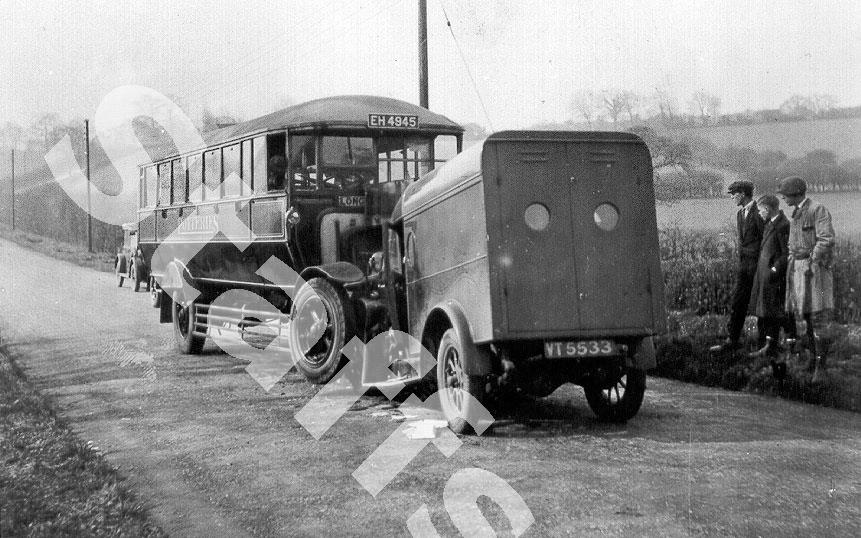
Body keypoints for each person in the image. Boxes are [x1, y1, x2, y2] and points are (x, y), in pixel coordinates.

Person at [777, 176, 835, 381]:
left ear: (795, 193)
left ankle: (821, 367)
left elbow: (826, 238)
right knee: (808, 318)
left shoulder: (817, 209)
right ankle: (812, 362)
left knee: (818, 318)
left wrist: (812, 261)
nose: (782, 198)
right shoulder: (796, 212)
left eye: (784, 194)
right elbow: (794, 245)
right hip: (800, 271)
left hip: (815, 272)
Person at [710, 180, 764, 352]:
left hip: (758, 267)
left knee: (761, 306)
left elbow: (766, 241)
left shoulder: (759, 213)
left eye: (733, 194)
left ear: (742, 193)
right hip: (745, 267)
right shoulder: (741, 214)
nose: (732, 197)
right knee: (738, 303)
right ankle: (732, 341)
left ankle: (766, 345)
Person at [747, 194, 796, 366]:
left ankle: (791, 348)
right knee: (769, 312)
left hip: (775, 279)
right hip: (765, 278)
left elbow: (786, 253)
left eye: (761, 210)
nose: (759, 213)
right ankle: (770, 346)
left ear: (767, 209)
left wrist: (774, 269)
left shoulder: (783, 225)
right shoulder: (771, 223)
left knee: (781, 314)